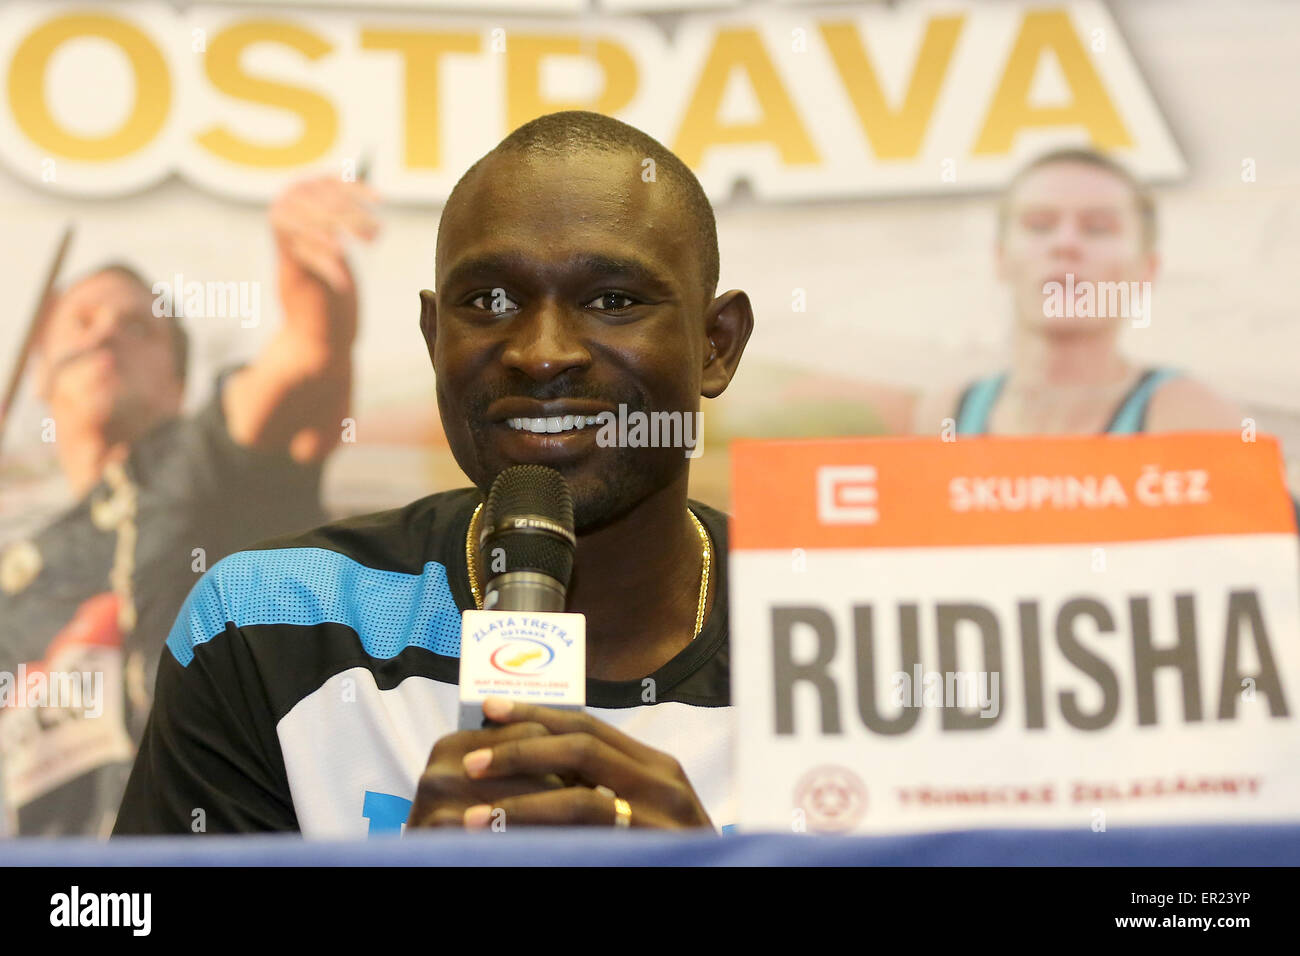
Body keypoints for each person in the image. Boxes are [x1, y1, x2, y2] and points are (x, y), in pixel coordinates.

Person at [113, 110, 754, 836]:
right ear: (434, 336)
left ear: (716, 345)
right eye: (489, 302)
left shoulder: (843, 637)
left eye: (612, 301)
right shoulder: (268, 624)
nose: (541, 353)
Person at [0, 176, 378, 836]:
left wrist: (307, 279)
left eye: (138, 327)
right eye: (82, 322)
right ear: (41, 370)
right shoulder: (17, 565)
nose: (107, 335)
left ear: (176, 383)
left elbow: (307, 361)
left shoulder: (199, 465)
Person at [910, 148, 1243, 436]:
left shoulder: (1188, 416)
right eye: (1039, 225)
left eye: (1098, 228)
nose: (1065, 244)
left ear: (1147, 269)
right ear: (1001, 258)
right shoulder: (947, 415)